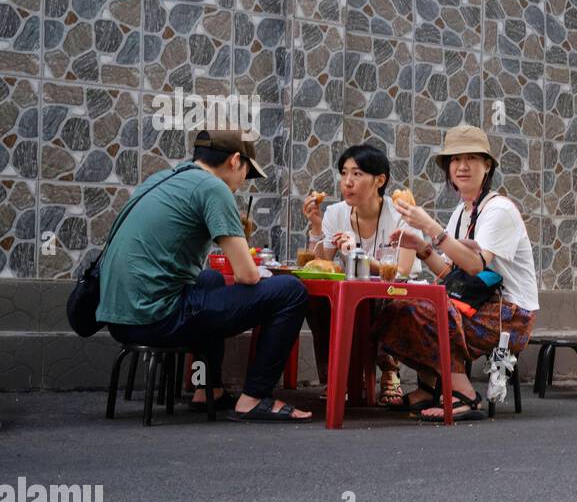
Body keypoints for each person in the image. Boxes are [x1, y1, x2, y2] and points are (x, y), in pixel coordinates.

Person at [97, 129, 311, 422]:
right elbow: (247, 275)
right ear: (236, 161)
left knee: (209, 280)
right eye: (246, 174)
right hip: (157, 318)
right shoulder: (213, 187)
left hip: (120, 320)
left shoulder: (160, 179)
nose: (240, 185)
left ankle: (207, 389)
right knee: (291, 290)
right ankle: (255, 399)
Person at [376, 125, 540, 421]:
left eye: (472, 159)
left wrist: (430, 227)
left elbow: (476, 265)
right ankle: (429, 386)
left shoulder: (498, 209)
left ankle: (463, 393)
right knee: (396, 308)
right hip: (475, 303)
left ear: (487, 165)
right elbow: (453, 274)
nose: (462, 166)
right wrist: (423, 249)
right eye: (455, 159)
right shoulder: (461, 212)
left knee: (429, 309)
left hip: (509, 314)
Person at [300, 143, 416, 405]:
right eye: (344, 173)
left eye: (357, 174)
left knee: (393, 301)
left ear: (380, 180)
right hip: (353, 297)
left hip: (394, 291)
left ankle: (390, 372)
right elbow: (322, 266)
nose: (347, 182)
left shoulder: (400, 214)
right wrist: (316, 227)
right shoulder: (335, 213)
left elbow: (402, 272)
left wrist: (358, 255)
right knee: (316, 300)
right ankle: (333, 375)